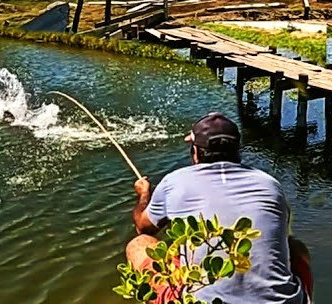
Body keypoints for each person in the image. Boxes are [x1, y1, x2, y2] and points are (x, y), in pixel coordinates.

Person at [128, 112, 313, 304]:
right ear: (237, 151)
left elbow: (143, 227)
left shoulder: (174, 182)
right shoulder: (270, 184)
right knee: (295, 247)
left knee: (139, 245)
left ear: (196, 152)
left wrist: (143, 195)